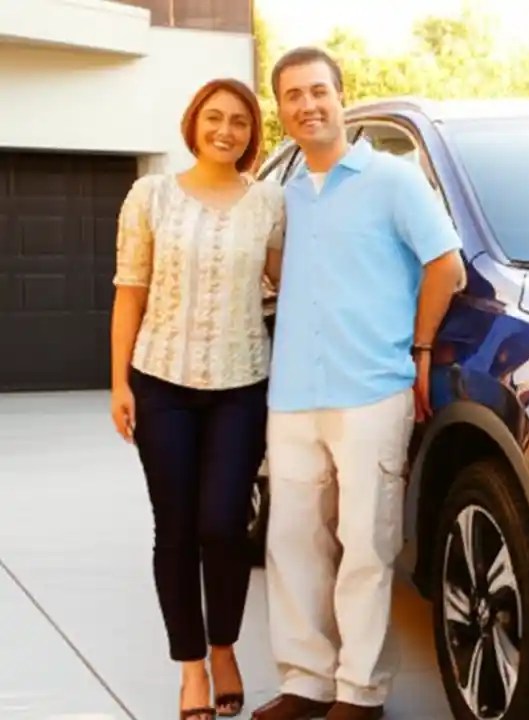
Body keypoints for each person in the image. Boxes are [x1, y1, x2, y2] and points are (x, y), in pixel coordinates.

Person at [252, 47, 465, 720]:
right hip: (292, 394)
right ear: (281, 108)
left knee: (366, 546)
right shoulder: (280, 196)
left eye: (318, 91)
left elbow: (447, 268)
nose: (307, 105)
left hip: (372, 387)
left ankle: (360, 691)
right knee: (292, 543)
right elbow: (282, 270)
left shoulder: (391, 179)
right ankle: (306, 680)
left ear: (342, 98)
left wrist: (420, 345)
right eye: (292, 95)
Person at [110, 78, 285, 720]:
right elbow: (130, 291)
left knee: (223, 525)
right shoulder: (151, 195)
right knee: (176, 528)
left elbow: (289, 279)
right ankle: (191, 667)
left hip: (241, 385)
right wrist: (120, 382)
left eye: (239, 121)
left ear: (251, 133)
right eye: (214, 117)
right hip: (160, 382)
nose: (226, 130)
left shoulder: (268, 200)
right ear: (194, 123)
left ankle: (225, 646)